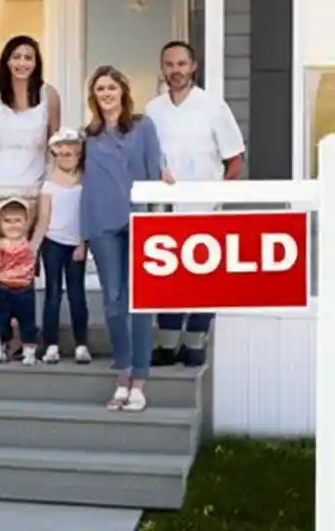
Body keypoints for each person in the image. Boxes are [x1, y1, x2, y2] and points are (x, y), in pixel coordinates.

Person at [144, 41, 245, 368]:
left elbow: (234, 159)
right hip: (165, 207)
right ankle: (169, 344)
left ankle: (195, 342)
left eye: (182, 64)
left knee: (202, 279)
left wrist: (221, 199)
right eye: (169, 64)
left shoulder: (213, 107)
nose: (176, 70)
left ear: (193, 66)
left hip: (204, 206)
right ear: (163, 68)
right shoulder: (153, 110)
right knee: (168, 279)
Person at [80, 65, 170, 412]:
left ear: (122, 91)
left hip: (139, 221)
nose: (106, 94)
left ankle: (140, 380)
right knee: (114, 301)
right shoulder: (88, 135)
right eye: (100, 88)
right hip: (102, 224)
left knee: (140, 301)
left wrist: (163, 172)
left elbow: (154, 165)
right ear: (94, 96)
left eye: (111, 87)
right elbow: (73, 175)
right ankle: (123, 372)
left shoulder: (143, 126)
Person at [0, 35, 61, 356]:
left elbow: (55, 142)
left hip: (33, 192)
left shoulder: (49, 96)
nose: (22, 63)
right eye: (16, 56)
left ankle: (21, 334)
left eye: (29, 57)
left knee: (24, 268)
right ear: (6, 60)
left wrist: (52, 184)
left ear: (37, 62)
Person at [30, 127, 91, 365]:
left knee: (77, 295)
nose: (67, 157)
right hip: (53, 243)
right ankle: (51, 344)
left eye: (72, 153)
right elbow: (43, 220)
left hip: (76, 244)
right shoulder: (48, 185)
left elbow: (87, 214)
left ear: (79, 154)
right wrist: (33, 248)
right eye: (62, 154)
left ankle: (81, 344)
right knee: (52, 294)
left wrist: (83, 242)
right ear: (55, 155)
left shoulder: (85, 181)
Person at [0, 198, 39, 365]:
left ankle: (29, 349)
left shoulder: (27, 246)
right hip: (2, 287)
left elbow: (31, 266)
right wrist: (0, 270)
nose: (13, 225)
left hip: (24, 289)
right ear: (0, 224)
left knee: (27, 321)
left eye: (18, 221)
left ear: (26, 223)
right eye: (7, 221)